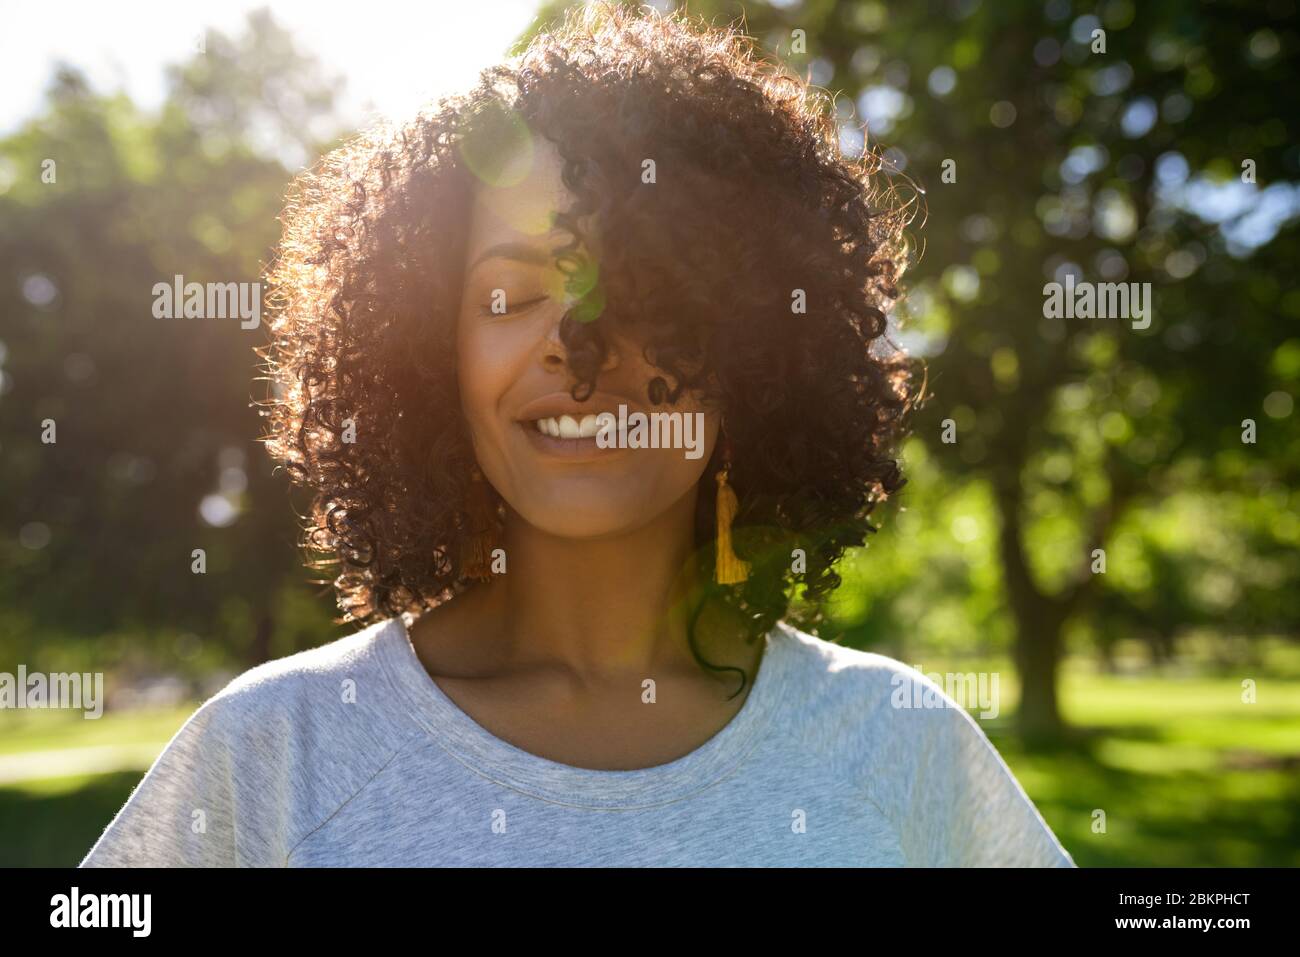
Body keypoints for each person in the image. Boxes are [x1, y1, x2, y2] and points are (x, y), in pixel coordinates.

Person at [81, 3, 1074, 867]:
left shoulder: (898, 748)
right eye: (509, 293)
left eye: (643, 290)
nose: (578, 348)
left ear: (761, 346)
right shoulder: (275, 753)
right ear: (429, 354)